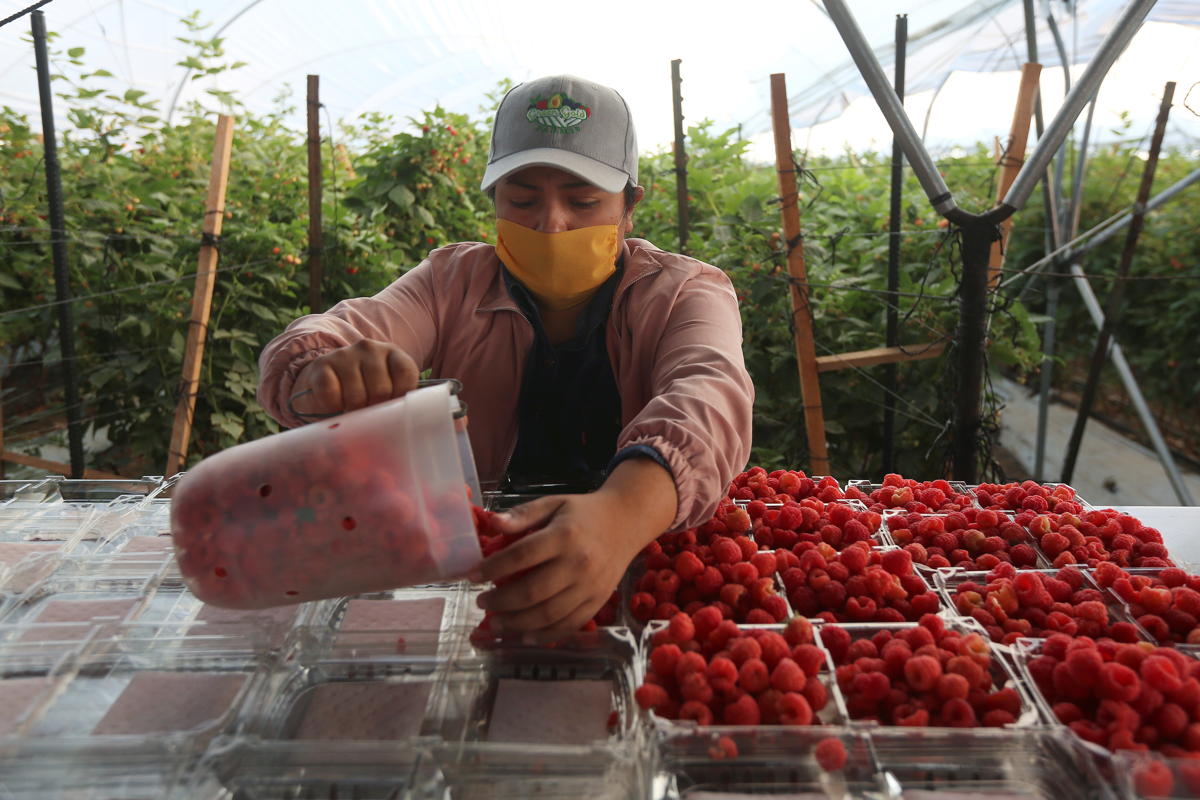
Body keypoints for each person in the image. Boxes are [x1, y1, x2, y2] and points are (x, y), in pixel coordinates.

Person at [257, 75, 753, 642]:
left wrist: (621, 514)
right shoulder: (450, 284)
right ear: (493, 199)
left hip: (648, 572)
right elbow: (340, 333)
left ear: (629, 205)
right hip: (484, 575)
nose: (551, 222)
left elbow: (709, 390)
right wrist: (319, 372)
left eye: (583, 200)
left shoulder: (685, 293)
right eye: (522, 198)